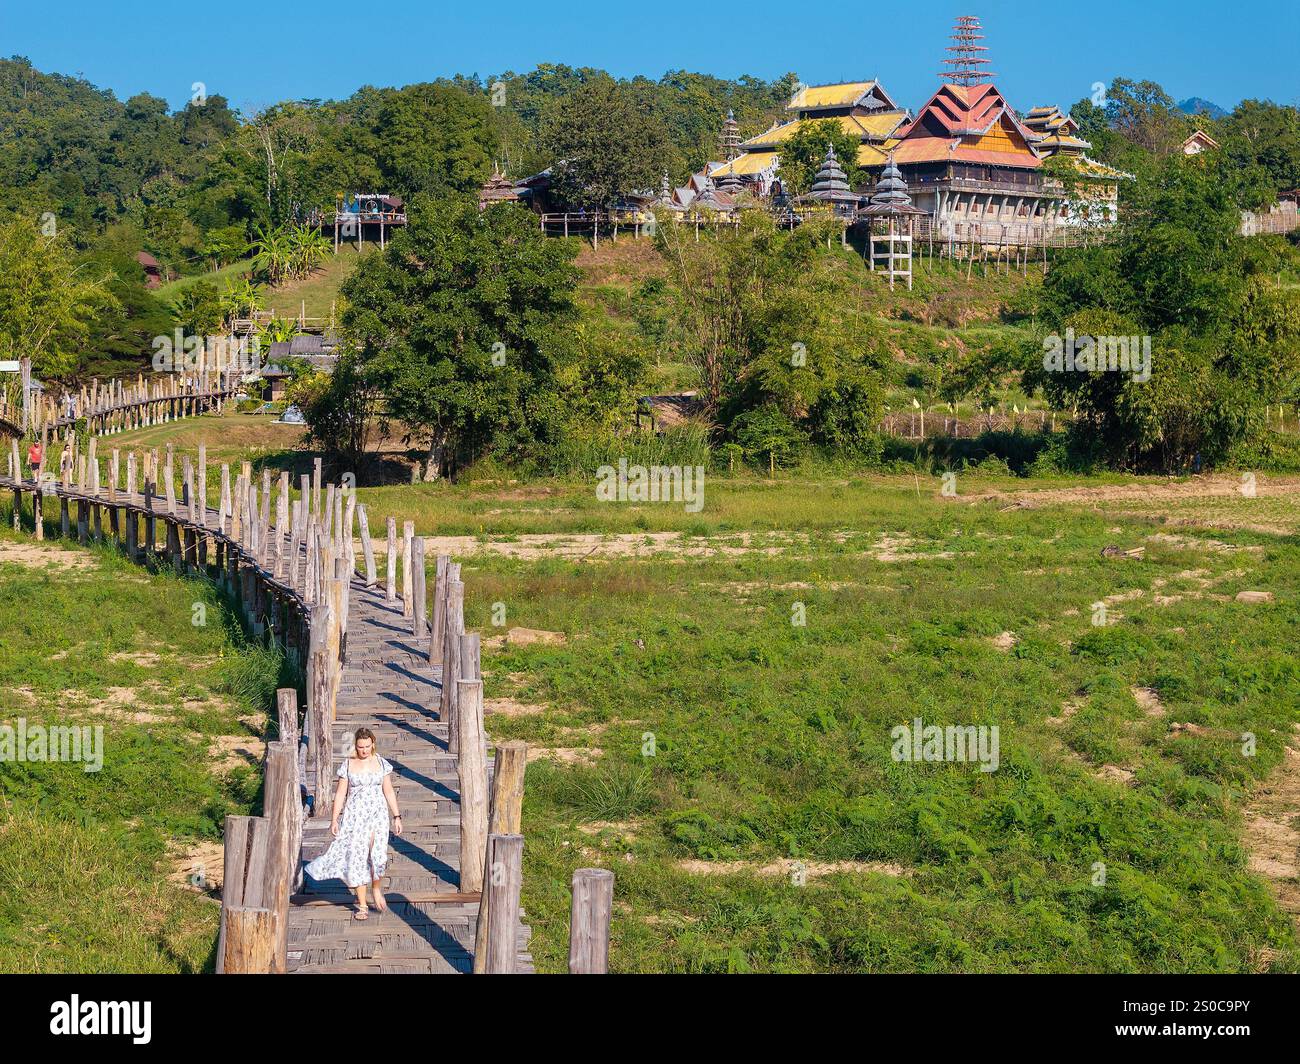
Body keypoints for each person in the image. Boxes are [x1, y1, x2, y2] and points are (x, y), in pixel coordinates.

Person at [303, 728, 401, 920]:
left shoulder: (381, 763)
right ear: (355, 745)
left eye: (367, 746)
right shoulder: (348, 764)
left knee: (378, 856)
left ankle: (376, 888)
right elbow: (340, 794)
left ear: (373, 743)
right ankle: (363, 904)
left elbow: (388, 791)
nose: (363, 750)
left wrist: (397, 816)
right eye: (360, 747)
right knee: (358, 857)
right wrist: (334, 818)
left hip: (378, 816)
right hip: (355, 817)